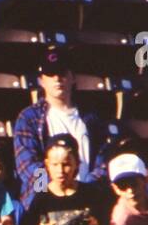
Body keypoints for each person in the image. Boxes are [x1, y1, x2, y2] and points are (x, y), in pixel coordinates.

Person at [13, 44, 110, 207]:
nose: (57, 79)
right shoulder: (28, 117)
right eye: (50, 74)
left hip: (87, 198)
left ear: (73, 78)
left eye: (62, 73)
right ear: (41, 81)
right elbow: (27, 166)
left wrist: (84, 190)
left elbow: (104, 159)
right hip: (45, 198)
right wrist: (54, 193)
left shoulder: (92, 119)